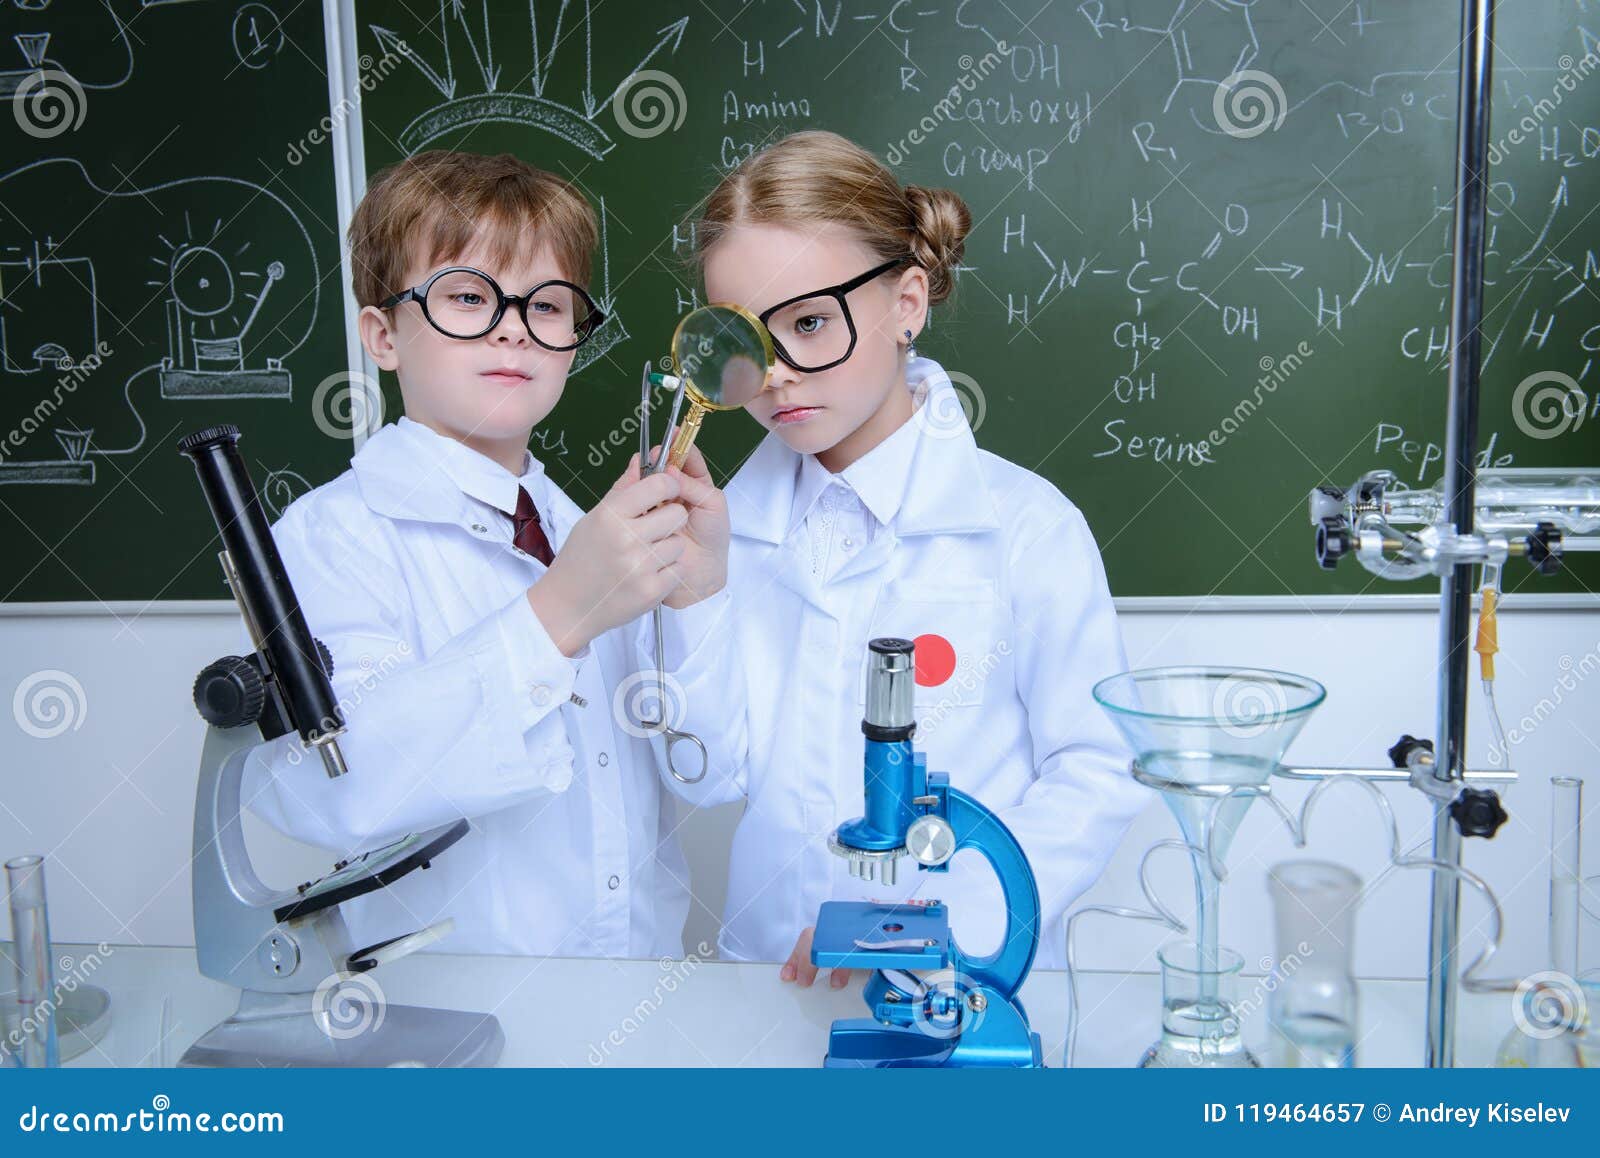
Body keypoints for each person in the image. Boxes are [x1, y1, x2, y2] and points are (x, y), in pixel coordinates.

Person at [646, 130, 1153, 984]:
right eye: (745, 343)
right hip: (769, 978)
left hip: (963, 979)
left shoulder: (1026, 528)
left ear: (907, 301)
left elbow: (1099, 768)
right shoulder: (727, 532)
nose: (776, 376)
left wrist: (931, 919)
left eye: (809, 322)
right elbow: (708, 780)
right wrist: (693, 597)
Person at [241, 150, 701, 959]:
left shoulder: (582, 529)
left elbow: (684, 763)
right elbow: (327, 790)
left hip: (638, 991)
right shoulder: (329, 539)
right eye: (466, 296)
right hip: (447, 1026)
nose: (515, 326)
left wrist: (702, 597)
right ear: (383, 335)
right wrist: (554, 619)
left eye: (548, 304)